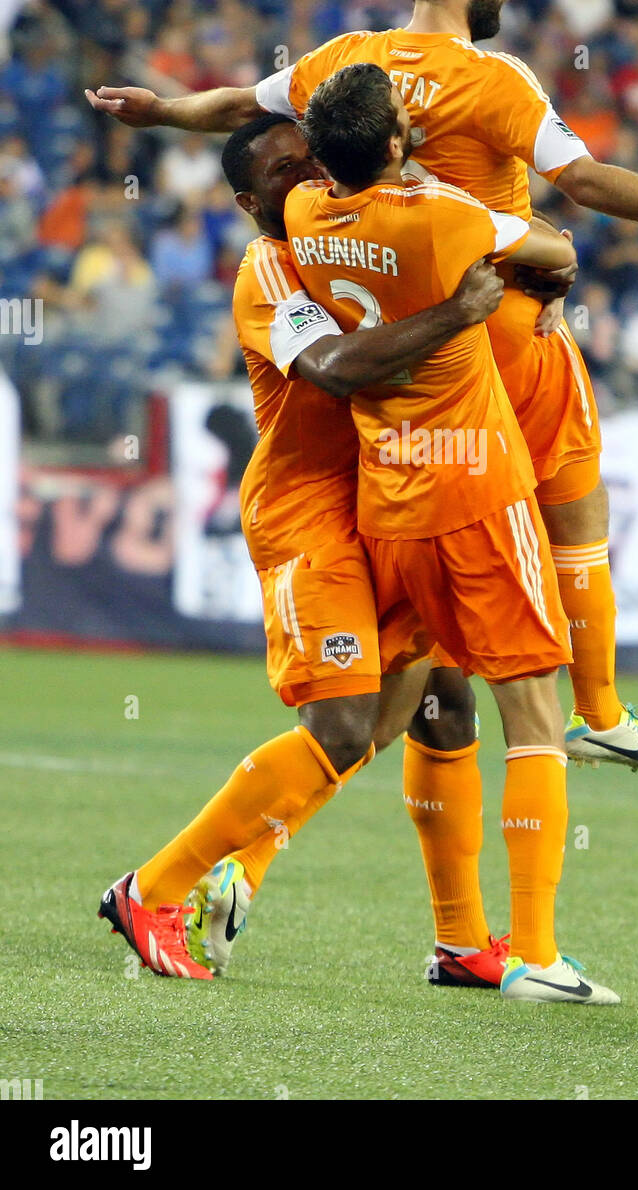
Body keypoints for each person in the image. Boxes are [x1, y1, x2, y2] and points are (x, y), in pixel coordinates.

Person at [88, 0, 638, 767]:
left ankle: (250, 850)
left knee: (422, 681)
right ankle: (598, 709)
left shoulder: (343, 62)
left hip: (393, 365)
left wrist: (158, 112)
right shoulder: (496, 79)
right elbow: (586, 182)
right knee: (575, 511)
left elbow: (238, 110)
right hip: (499, 324)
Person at [98, 114, 516, 985]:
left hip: (385, 507)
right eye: (284, 172)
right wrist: (454, 314)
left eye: (313, 158)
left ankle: (462, 942)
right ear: (249, 202)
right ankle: (153, 887)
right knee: (338, 722)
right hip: (306, 514)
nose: (307, 176)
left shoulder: (350, 240)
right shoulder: (271, 267)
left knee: (444, 699)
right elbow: (329, 367)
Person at [285, 62, 619, 1003]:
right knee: (534, 714)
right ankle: (541, 958)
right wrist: (448, 202)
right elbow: (553, 247)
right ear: (396, 146)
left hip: (387, 502)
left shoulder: (308, 218)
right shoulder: (445, 216)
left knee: (407, 712)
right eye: (404, 125)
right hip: (477, 487)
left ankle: (247, 857)